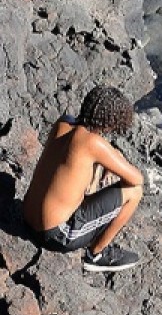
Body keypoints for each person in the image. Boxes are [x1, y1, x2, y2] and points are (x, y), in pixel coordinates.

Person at [22, 85, 144, 271]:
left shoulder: (63, 123)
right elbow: (137, 179)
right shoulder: (92, 143)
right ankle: (96, 255)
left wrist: (110, 157)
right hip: (56, 234)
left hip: (28, 219)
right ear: (110, 121)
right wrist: (114, 158)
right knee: (134, 192)